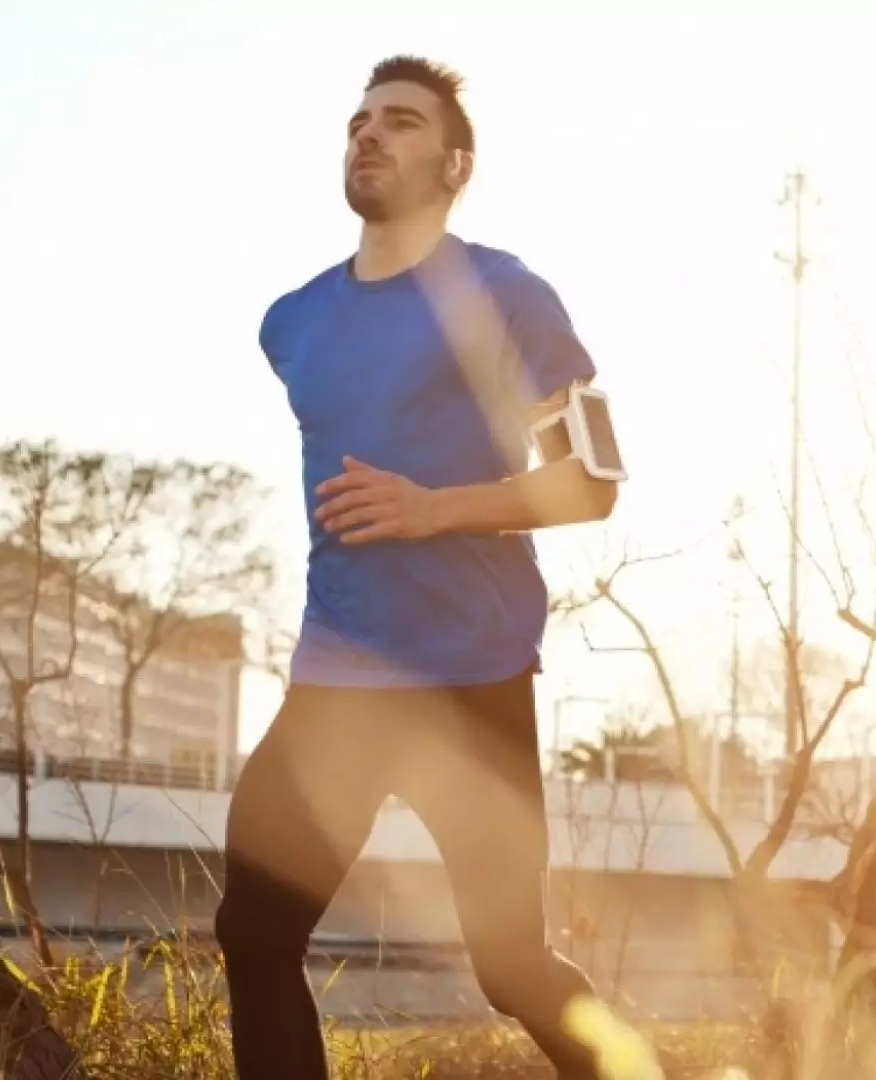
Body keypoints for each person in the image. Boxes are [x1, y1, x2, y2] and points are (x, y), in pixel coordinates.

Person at [213, 55, 633, 1079]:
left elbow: (595, 480)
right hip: (337, 679)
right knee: (255, 936)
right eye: (360, 120)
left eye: (400, 122)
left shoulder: (506, 295)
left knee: (508, 965)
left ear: (455, 165)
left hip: (470, 678)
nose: (369, 135)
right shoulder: (292, 322)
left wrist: (432, 507)